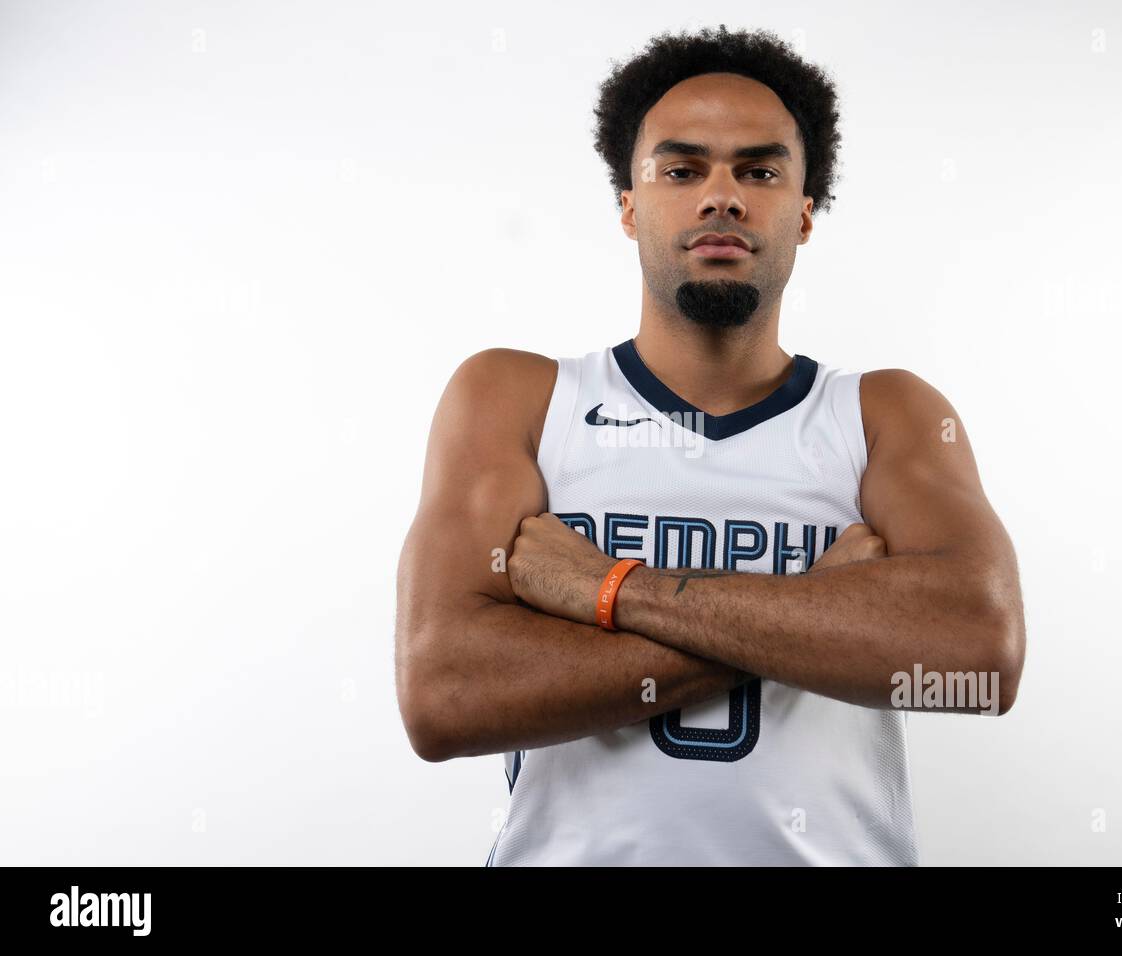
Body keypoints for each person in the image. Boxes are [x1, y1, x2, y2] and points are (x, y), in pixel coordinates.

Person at [396, 25, 1025, 866]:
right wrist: (814, 612)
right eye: (682, 169)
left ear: (804, 214)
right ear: (629, 204)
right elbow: (444, 698)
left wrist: (606, 587)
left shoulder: (885, 414)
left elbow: (980, 655)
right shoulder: (518, 397)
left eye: (759, 170)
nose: (720, 196)